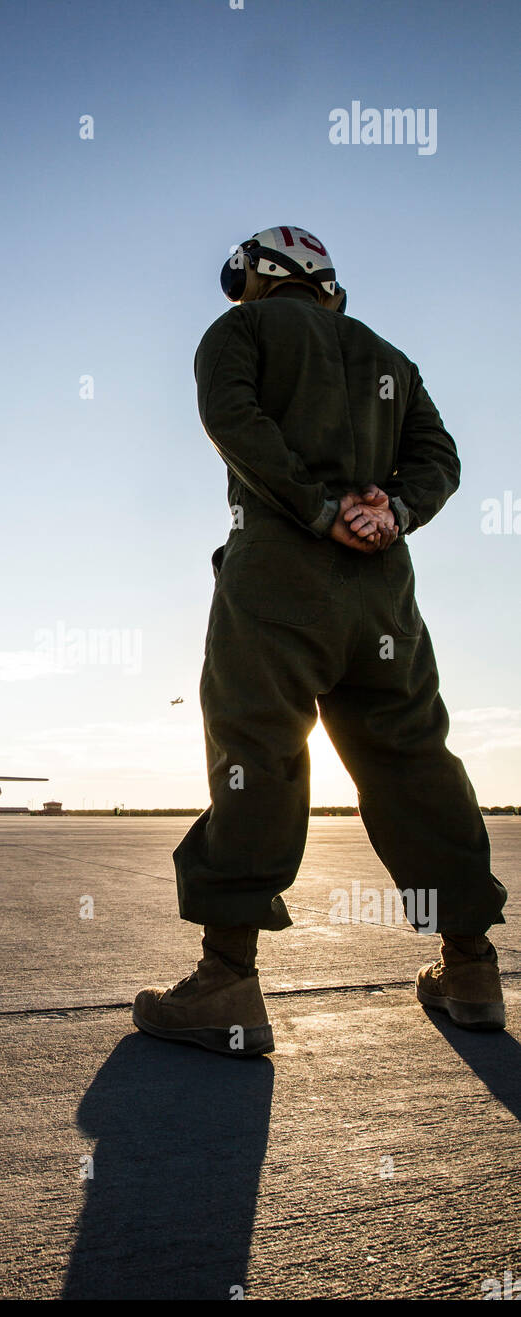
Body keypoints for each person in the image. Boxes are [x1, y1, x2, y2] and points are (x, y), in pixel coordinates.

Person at [133, 225, 507, 1057]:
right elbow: (439, 457)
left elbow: (230, 416)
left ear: (262, 279)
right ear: (327, 285)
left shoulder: (241, 331)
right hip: (383, 597)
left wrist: (316, 507)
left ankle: (228, 980)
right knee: (413, 759)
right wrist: (393, 512)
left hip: (278, 582)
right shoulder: (391, 360)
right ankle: (472, 965)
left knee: (258, 752)